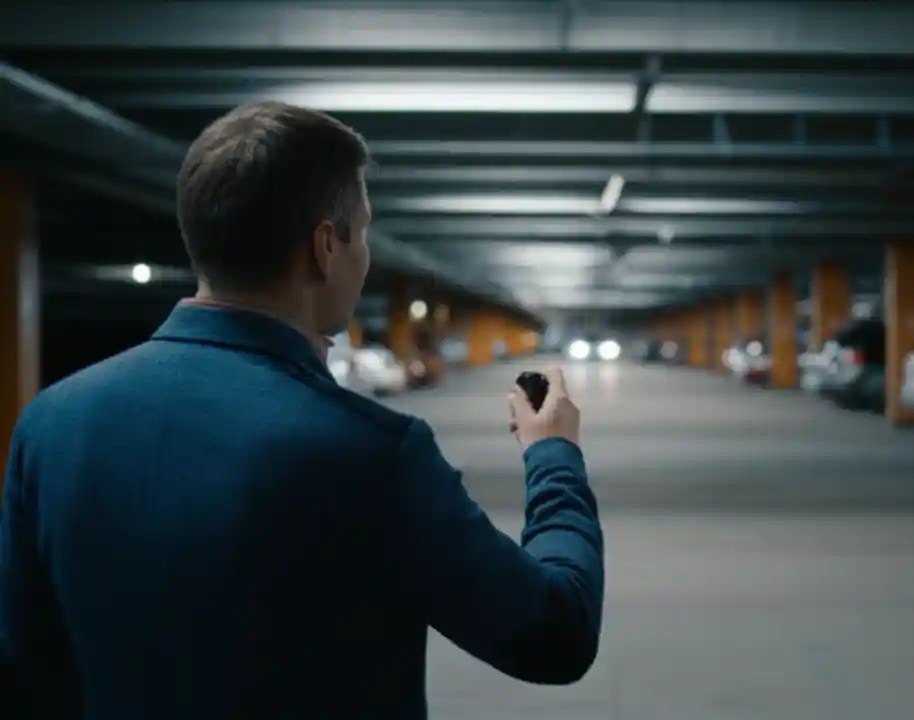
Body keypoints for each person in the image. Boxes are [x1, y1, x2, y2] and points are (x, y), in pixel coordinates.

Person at [0, 102, 604, 719]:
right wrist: (554, 456)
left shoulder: (50, 423)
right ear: (324, 247)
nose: (365, 257)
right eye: (362, 232)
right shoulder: (370, 452)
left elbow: (23, 674)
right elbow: (555, 635)